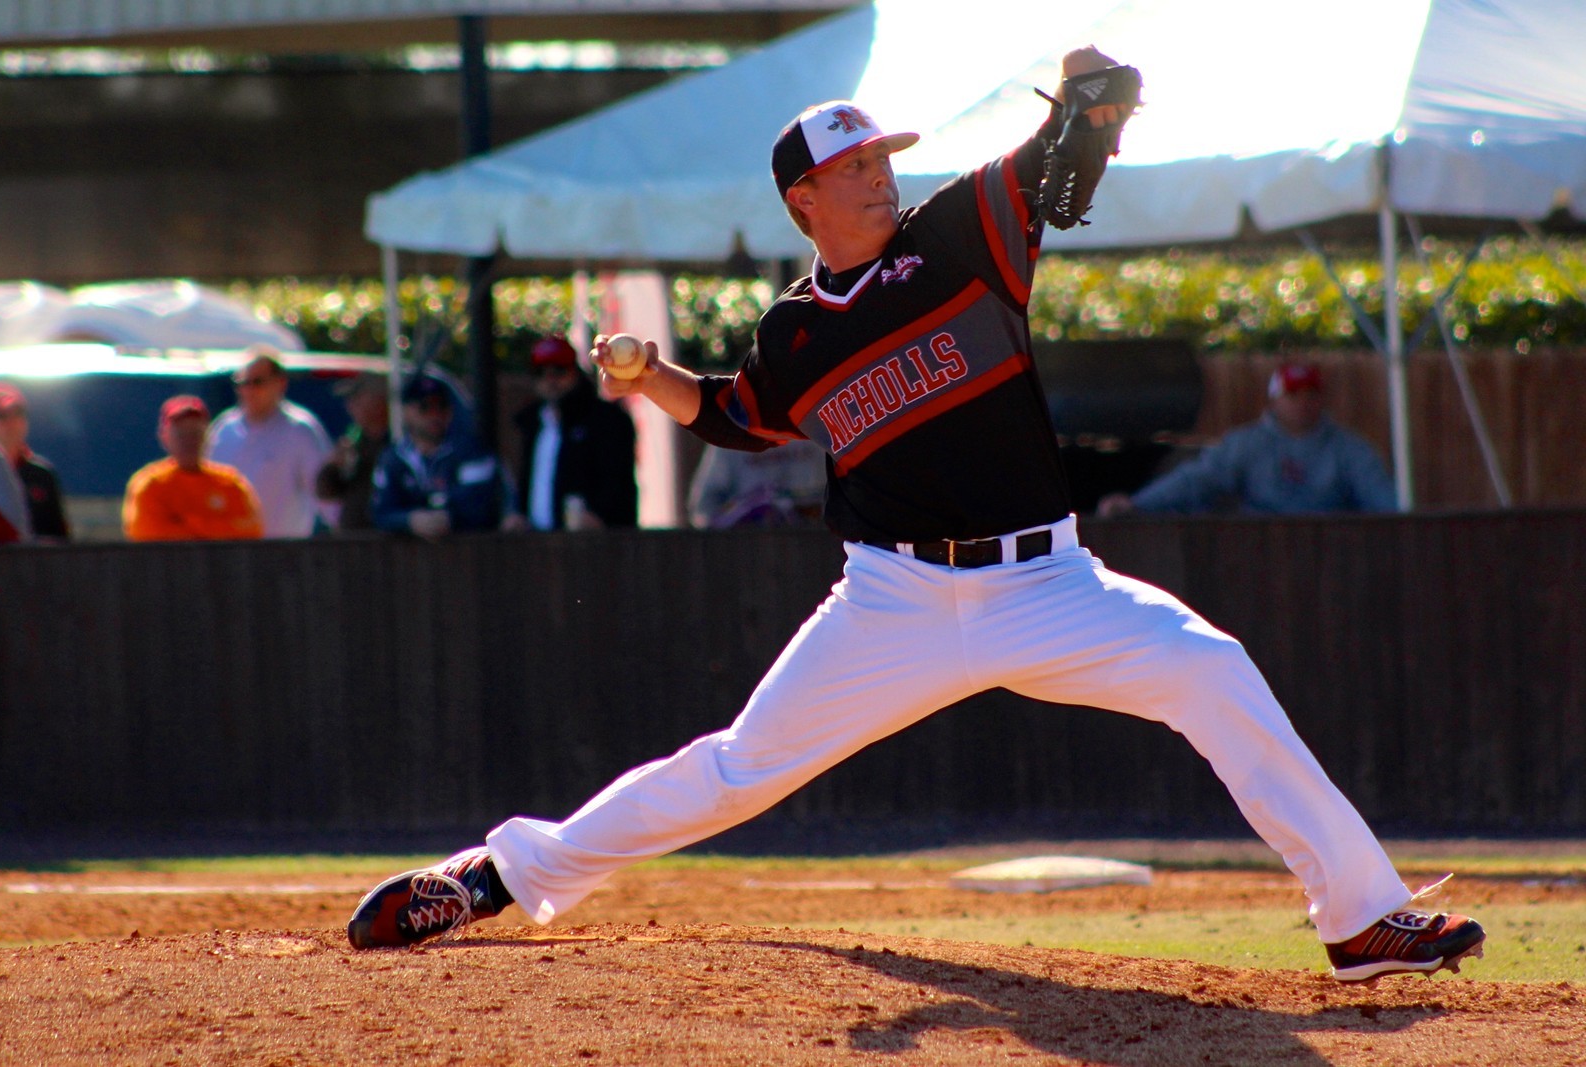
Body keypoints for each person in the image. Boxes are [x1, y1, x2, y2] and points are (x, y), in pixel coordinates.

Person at [348, 49, 1484, 983]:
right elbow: (742, 418)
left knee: (1213, 669)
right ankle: (498, 875)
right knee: (739, 767)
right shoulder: (795, 331)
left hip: (1048, 584)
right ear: (802, 198)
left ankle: (1359, 919)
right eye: (852, 169)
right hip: (890, 598)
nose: (877, 177)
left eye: (882, 157)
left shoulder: (959, 237)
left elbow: (1050, 174)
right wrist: (650, 378)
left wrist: (1090, 110)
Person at [1097, 362, 1398, 517]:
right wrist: (1138, 504)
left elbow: (1384, 504)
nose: (1303, 402)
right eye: (1293, 395)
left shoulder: (1350, 449)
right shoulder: (1247, 444)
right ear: (1274, 401)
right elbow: (1197, 481)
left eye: (1311, 394)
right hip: (1260, 555)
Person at [512, 336, 638, 531]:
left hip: (597, 541)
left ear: (574, 372)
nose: (550, 380)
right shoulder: (532, 423)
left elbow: (618, 482)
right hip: (537, 541)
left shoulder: (606, 421)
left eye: (559, 371)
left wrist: (600, 515)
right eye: (541, 373)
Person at [206, 346, 332, 538]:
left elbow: (325, 494)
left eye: (257, 382)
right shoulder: (223, 430)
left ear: (280, 384)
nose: (248, 390)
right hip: (230, 553)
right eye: (242, 382)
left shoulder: (299, 430)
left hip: (282, 552)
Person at [372, 374, 512, 540]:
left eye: (442, 406)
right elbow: (381, 513)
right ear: (406, 412)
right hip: (412, 560)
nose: (435, 415)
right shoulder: (393, 458)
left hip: (469, 555)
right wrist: (410, 520)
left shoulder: (471, 451)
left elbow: (477, 507)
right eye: (425, 407)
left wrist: (444, 516)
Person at [123, 395, 264, 541]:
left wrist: (188, 521)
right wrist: (216, 529)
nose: (189, 441)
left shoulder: (230, 483)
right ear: (164, 437)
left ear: (208, 437)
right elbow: (148, 535)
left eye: (195, 433)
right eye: (181, 434)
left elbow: (252, 530)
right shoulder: (151, 485)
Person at [0, 383, 70, 541]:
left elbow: (60, 537)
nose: (12, 423)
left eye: (18, 414)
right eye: (1, 416)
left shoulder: (41, 473)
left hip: (36, 563)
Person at [687, 437, 826, 529]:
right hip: (749, 552)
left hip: (813, 547)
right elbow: (703, 510)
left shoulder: (814, 421)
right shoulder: (730, 433)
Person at [316, 372, 391, 532]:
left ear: (378, 400)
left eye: (356, 397)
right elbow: (325, 492)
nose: (350, 405)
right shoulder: (354, 442)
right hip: (352, 539)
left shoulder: (397, 443)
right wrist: (334, 465)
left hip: (384, 539)